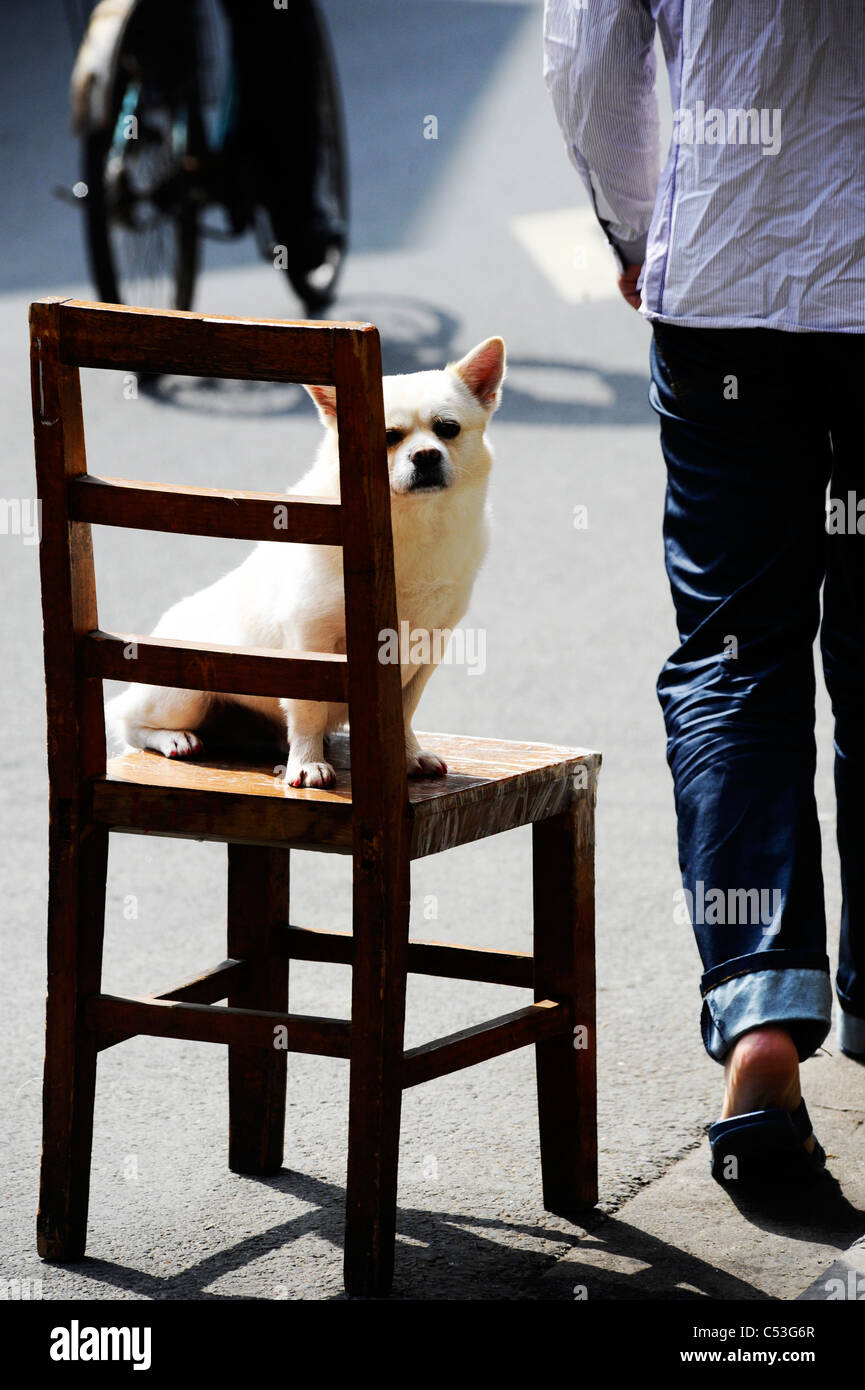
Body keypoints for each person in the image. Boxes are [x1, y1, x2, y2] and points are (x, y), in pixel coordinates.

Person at [543, 0, 865, 1182]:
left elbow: (585, 59)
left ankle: (762, 1032)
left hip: (730, 279)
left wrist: (637, 228)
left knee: (737, 651)